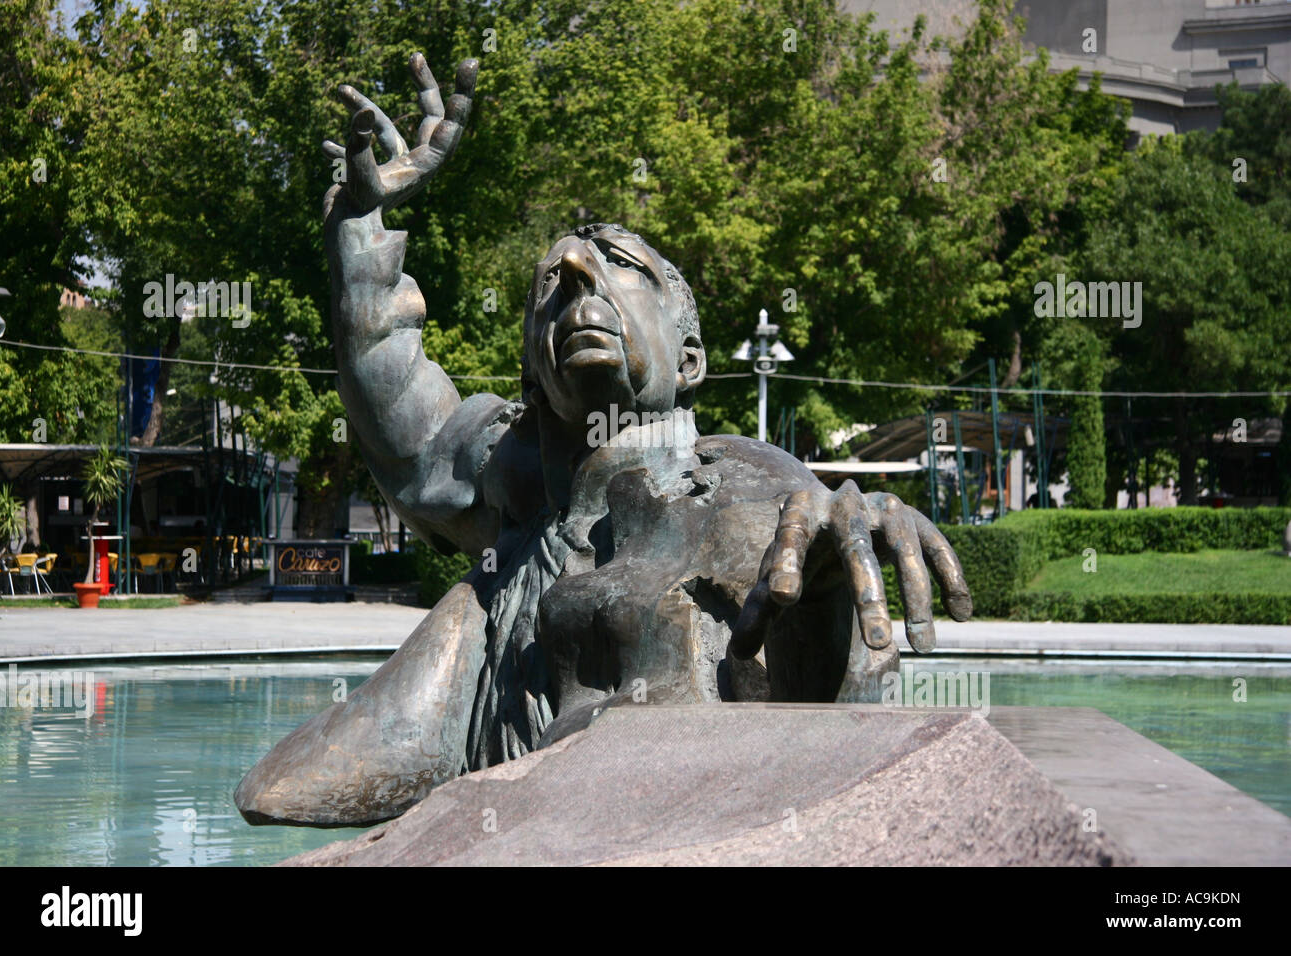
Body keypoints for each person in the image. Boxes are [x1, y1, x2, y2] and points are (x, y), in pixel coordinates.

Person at [235, 53, 972, 827]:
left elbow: (805, 547)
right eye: (549, 285)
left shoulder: (739, 482)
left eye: (619, 265)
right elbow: (405, 421)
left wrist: (829, 567)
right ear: (531, 375)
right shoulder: (514, 479)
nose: (580, 273)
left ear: (691, 360)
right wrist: (359, 223)